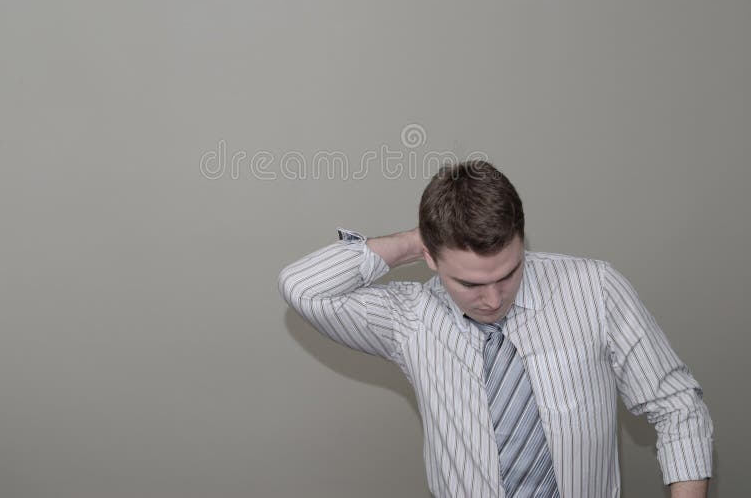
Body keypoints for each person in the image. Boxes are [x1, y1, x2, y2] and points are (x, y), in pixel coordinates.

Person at [277, 160, 713, 497]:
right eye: (469, 283)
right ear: (430, 258)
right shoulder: (408, 317)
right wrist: (414, 240)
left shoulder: (594, 288)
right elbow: (304, 288)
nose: (492, 299)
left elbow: (678, 408)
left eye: (509, 273)